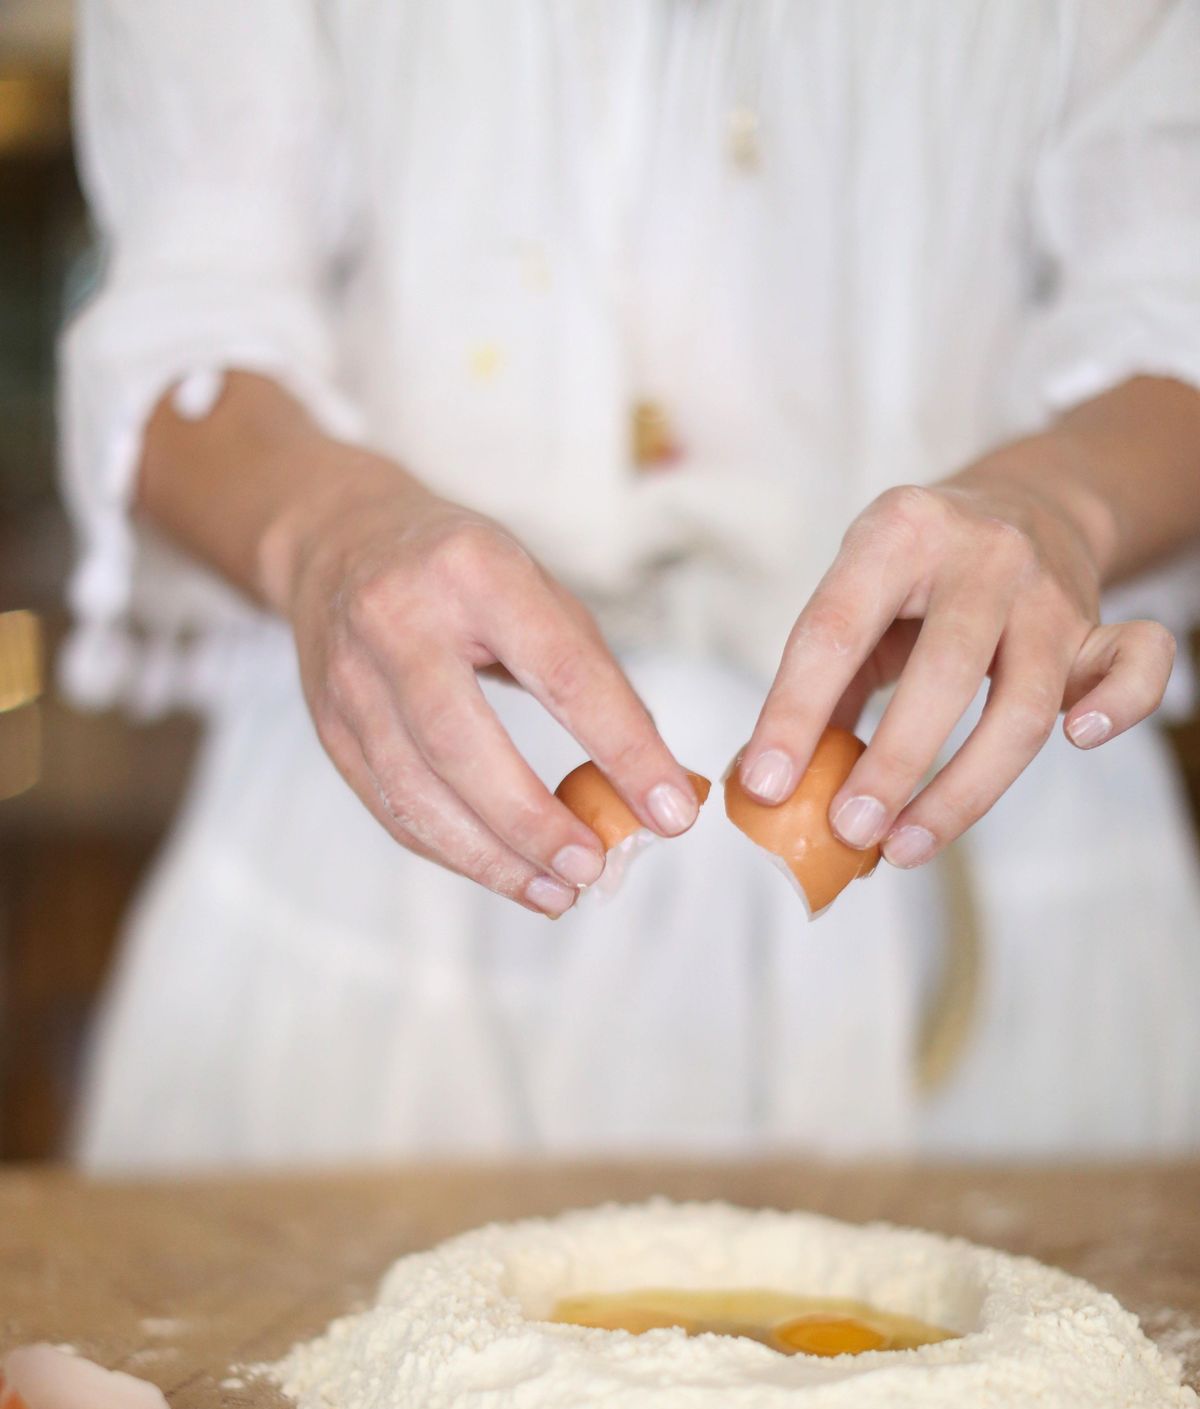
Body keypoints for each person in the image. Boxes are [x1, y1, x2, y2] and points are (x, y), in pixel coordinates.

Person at [61, 2, 1200, 1170]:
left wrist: (1063, 505)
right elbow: (185, 307)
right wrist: (325, 531)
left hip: (976, 822)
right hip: (405, 829)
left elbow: (1177, 294)